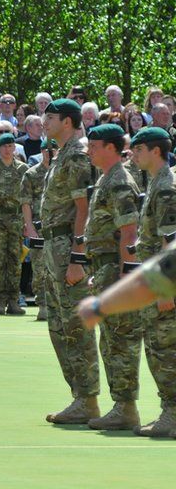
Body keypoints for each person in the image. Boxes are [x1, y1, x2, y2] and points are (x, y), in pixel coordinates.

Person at [83, 127, 176, 436]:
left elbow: (170, 239)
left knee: (165, 349)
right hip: (153, 278)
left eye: (139, 150)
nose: (133, 155)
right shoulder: (156, 183)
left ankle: (173, 413)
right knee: (156, 347)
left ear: (156, 152)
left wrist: (165, 287)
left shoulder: (166, 187)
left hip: (164, 284)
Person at [40, 98, 101, 425]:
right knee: (59, 325)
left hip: (68, 246)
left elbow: (82, 208)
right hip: (53, 245)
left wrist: (78, 256)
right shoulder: (62, 153)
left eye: (49, 117)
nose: (44, 122)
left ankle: (87, 397)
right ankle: (80, 395)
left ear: (67, 121)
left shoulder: (77, 154)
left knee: (75, 325)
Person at [81, 123, 142, 430]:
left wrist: (123, 278)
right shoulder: (107, 178)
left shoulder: (119, 181)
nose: (89, 151)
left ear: (110, 147)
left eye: (94, 145)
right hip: (104, 267)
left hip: (115, 269)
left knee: (121, 339)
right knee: (111, 339)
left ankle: (126, 406)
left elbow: (129, 232)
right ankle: (121, 404)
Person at [0, 133, 28, 315]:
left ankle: (13, 300)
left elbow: (27, 199)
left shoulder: (24, 170)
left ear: (14, 148)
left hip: (17, 219)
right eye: (4, 146)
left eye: (10, 146)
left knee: (15, 261)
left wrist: (27, 222)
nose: (7, 149)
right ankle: (0, 301)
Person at [21, 139, 54, 321]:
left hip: (60, 228)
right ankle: (42, 304)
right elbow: (25, 202)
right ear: (41, 151)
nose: (50, 153)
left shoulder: (64, 173)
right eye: (47, 150)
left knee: (58, 267)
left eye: (53, 150)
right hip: (39, 228)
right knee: (39, 268)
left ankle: (57, 304)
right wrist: (29, 227)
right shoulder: (32, 174)